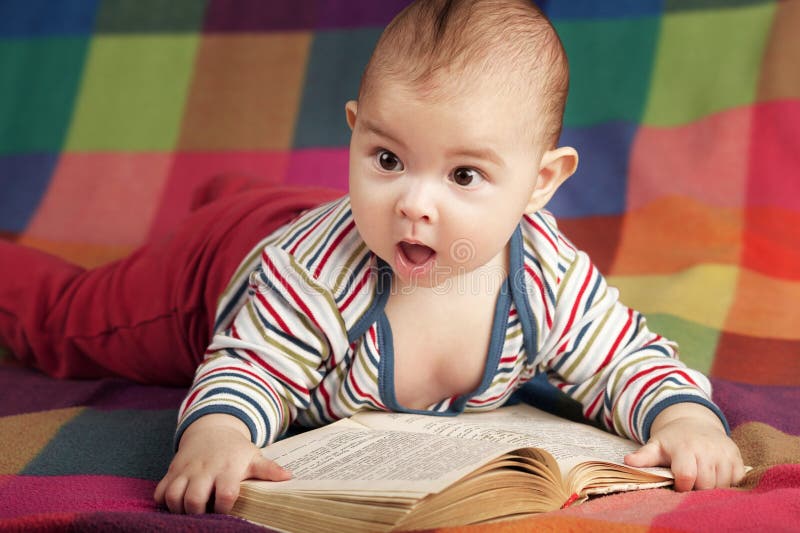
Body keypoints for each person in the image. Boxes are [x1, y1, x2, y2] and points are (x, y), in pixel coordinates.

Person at [0, 0, 744, 517]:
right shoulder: (315, 280)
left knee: (293, 211)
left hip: (301, 218)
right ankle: (218, 211)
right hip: (222, 270)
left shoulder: (544, 277)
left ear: (540, 183)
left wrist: (686, 417)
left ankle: (232, 194)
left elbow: (626, 358)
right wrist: (218, 434)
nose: (416, 204)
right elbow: (248, 367)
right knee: (66, 323)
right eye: (387, 157)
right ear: (355, 133)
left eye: (463, 175)